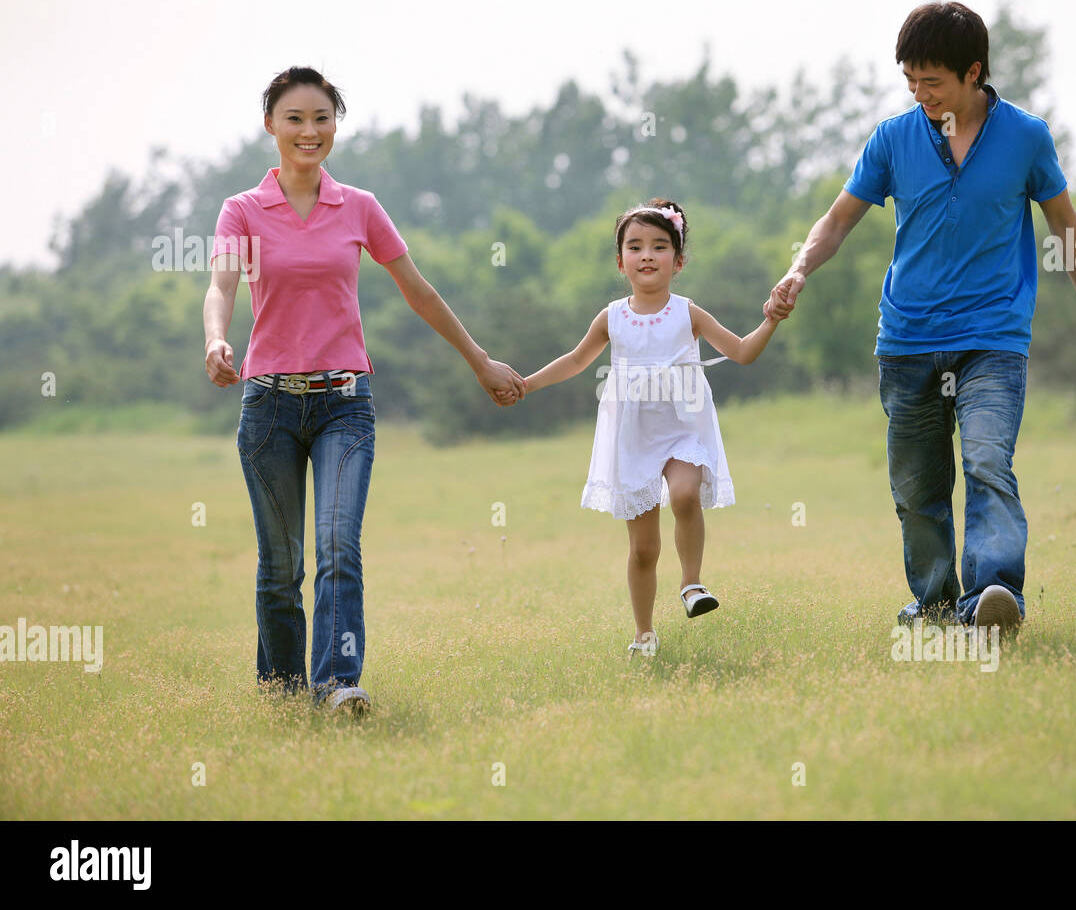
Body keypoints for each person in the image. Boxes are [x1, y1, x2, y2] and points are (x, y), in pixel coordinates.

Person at [766, 2, 1076, 635]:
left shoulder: (1026, 136)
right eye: (910, 81)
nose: (919, 94)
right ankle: (932, 600)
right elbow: (839, 218)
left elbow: (1066, 225)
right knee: (917, 487)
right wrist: (798, 270)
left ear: (974, 72)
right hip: (907, 339)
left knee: (987, 461)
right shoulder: (894, 138)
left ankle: (992, 596)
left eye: (932, 81)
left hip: (992, 336)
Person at [202, 66, 524, 713]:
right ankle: (283, 690)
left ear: (335, 127)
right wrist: (215, 339)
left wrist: (479, 359)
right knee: (280, 567)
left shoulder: (359, 208)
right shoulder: (243, 210)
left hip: (344, 404)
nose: (309, 131)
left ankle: (337, 683)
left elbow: (419, 291)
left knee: (338, 548)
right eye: (294, 118)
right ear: (270, 125)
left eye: (322, 118)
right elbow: (222, 285)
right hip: (268, 404)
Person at [523, 199, 780, 656]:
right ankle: (643, 633)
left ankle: (692, 585)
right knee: (643, 549)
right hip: (633, 435)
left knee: (684, 494)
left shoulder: (688, 312)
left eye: (660, 247)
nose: (647, 255)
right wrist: (526, 384)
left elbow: (741, 352)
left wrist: (772, 319)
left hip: (684, 424)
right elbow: (576, 361)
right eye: (635, 246)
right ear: (619, 261)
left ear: (678, 261)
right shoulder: (612, 317)